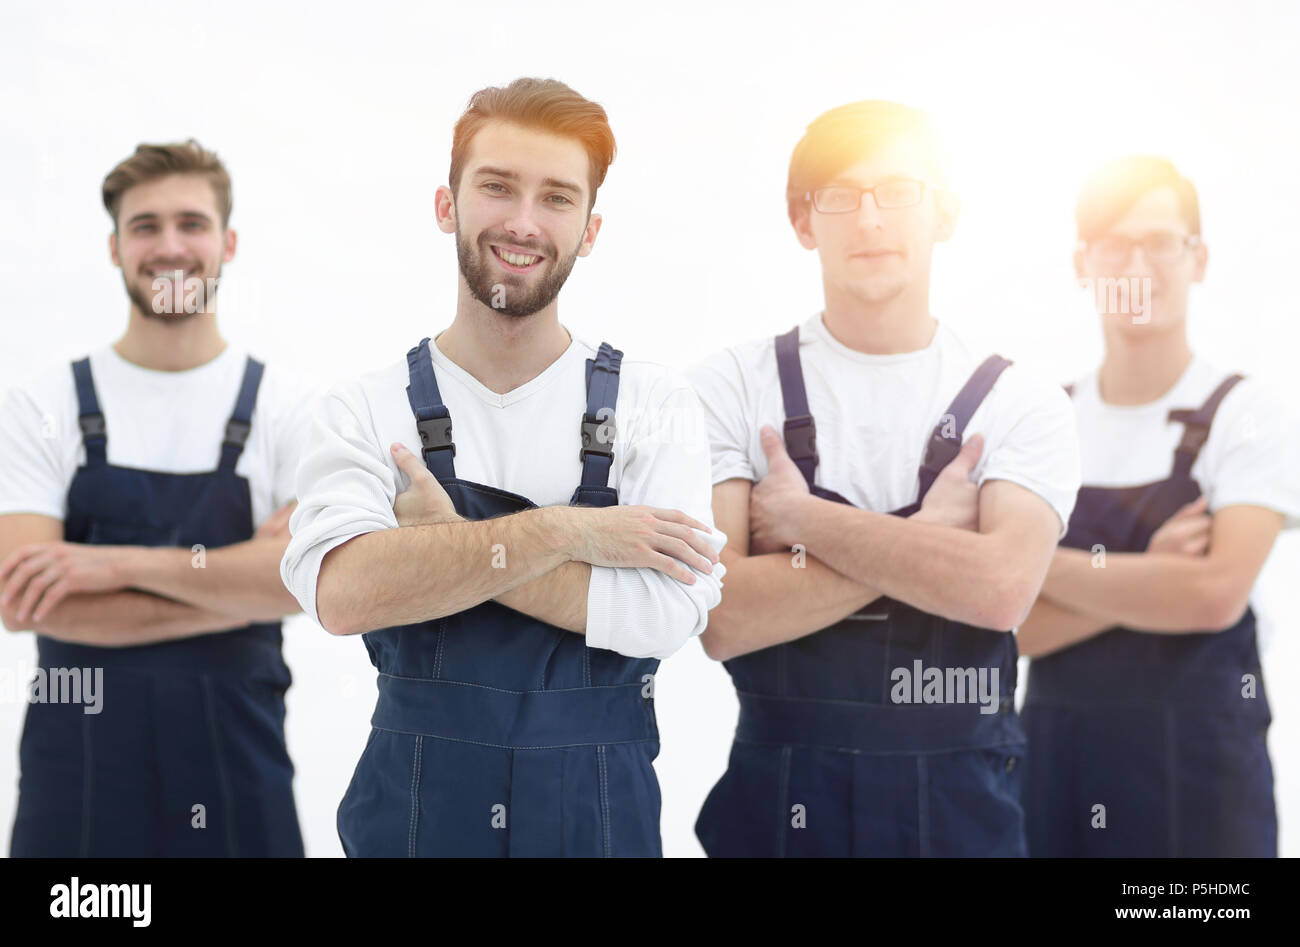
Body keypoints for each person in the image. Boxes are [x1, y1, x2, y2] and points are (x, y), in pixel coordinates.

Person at [280, 77, 724, 858]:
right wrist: (571, 533)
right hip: (412, 824)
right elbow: (343, 592)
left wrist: (441, 549)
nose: (523, 221)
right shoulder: (360, 409)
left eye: (556, 197)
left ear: (589, 229)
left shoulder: (655, 402)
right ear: (446, 205)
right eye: (497, 186)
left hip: (599, 823)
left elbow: (666, 613)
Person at [687, 100, 1081, 857]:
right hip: (779, 812)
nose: (870, 219)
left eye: (898, 191)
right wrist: (928, 544)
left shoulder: (1020, 401)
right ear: (804, 222)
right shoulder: (730, 386)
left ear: (945, 214)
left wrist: (808, 523)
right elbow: (725, 615)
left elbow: (1000, 590)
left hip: (963, 817)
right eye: (841, 196)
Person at [0, 139, 309, 857]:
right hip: (74, 786)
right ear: (115, 248)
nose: (170, 246)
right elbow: (22, 600)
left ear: (228, 243)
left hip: (239, 778)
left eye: (191, 223)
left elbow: (312, 580)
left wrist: (110, 566)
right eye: (145, 226)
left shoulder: (289, 409)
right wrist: (243, 585)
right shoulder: (41, 406)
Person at [1018, 155, 1300, 857]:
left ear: (1198, 259)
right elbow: (1007, 626)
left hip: (1203, 798)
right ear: (1082, 264)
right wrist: (1152, 574)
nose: (1137, 266)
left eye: (1161, 242)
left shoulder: (1247, 414)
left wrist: (1033, 566)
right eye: (1115, 245)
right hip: (1056, 786)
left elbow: (1213, 595)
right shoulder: (1040, 424)